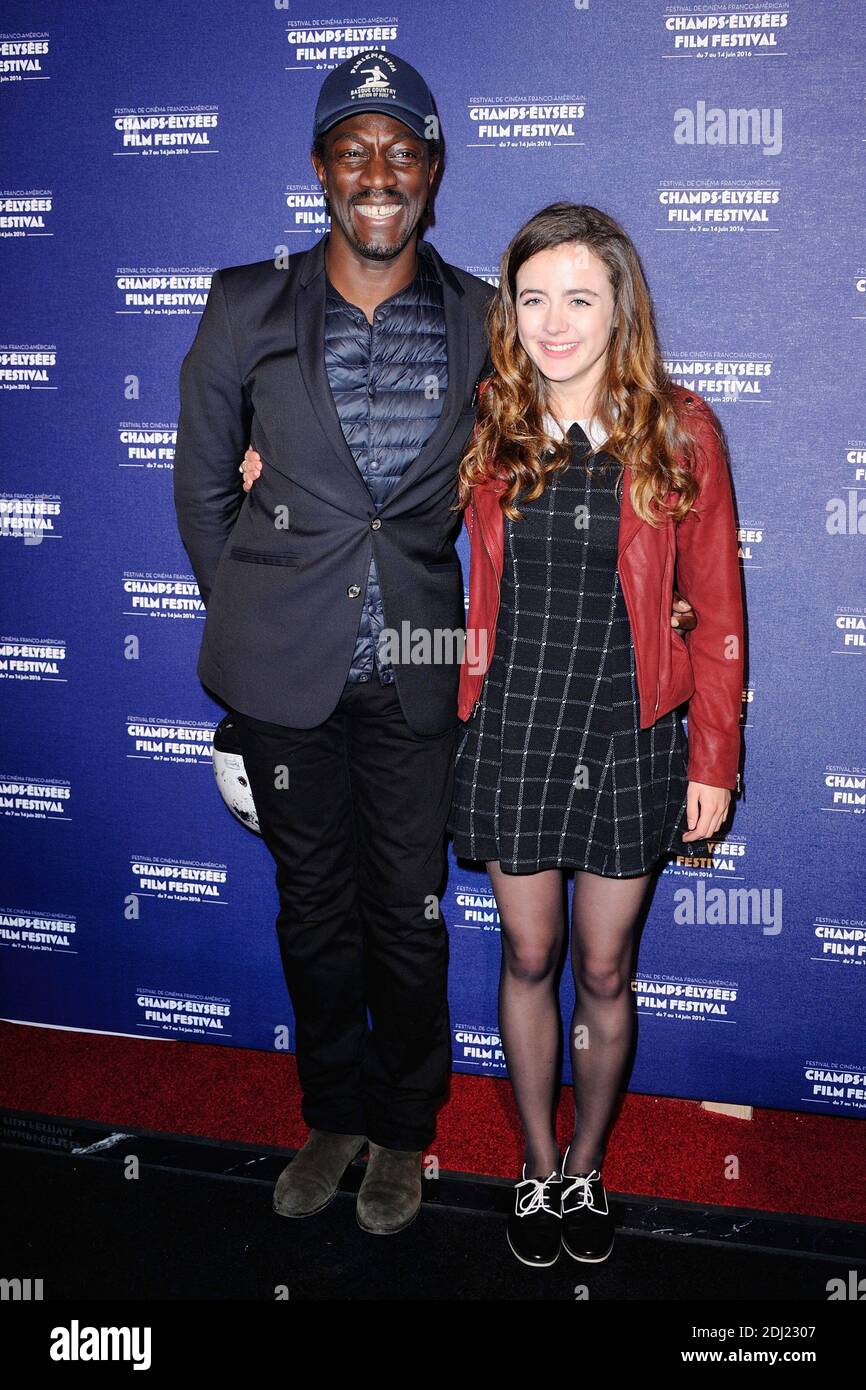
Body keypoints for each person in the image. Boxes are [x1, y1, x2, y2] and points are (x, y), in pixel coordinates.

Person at [173, 49, 496, 1235]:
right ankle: (334, 1113)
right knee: (310, 910)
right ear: (320, 170)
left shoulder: (485, 319)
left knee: (408, 917)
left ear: (430, 170)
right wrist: (257, 610)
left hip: (416, 664)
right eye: (352, 149)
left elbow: (526, 474)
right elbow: (203, 490)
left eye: (399, 150)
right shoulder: (241, 304)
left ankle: (405, 1130)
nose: (377, 173)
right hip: (283, 678)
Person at [448, 201, 744, 1268]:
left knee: (604, 967)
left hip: (629, 732)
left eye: (578, 296)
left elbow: (715, 611)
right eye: (531, 298)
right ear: (508, 309)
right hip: (519, 720)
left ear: (620, 305)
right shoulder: (490, 421)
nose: (553, 321)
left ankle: (585, 1167)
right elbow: (368, 488)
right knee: (527, 954)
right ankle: (533, 1170)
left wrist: (712, 759)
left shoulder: (678, 430)